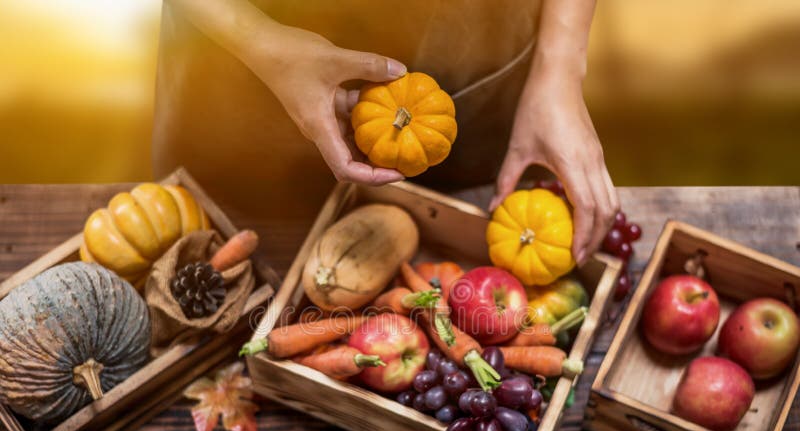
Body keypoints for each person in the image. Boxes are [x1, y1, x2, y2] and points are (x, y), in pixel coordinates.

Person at [153, 0, 619, 267]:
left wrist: (559, 66)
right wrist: (256, 40)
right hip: (237, 63)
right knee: (212, 253)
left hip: (482, 56)